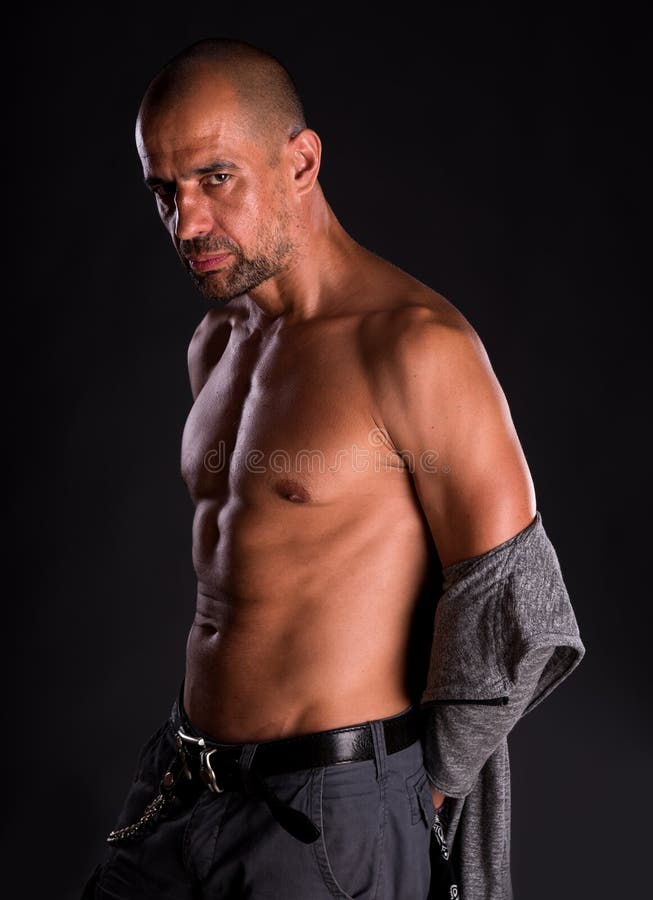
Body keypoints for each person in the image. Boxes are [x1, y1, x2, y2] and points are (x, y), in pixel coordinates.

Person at [82, 37, 585, 900]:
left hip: (326, 817)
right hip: (182, 784)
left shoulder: (413, 348)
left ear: (301, 161)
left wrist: (406, 797)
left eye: (214, 178)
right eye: (163, 191)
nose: (186, 222)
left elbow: (517, 609)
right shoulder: (216, 343)